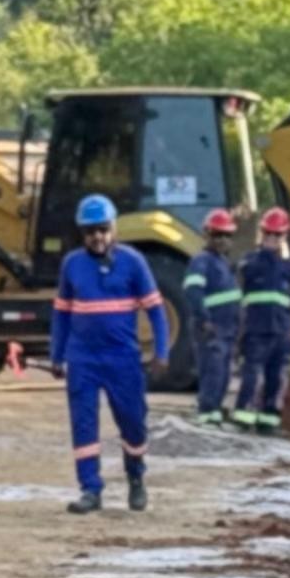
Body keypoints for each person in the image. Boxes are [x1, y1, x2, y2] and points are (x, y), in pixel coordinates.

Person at [47, 191, 170, 513]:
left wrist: (162, 352)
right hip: (83, 359)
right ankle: (90, 489)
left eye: (102, 229)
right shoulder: (72, 265)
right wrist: (57, 355)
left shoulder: (133, 263)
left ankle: (136, 476)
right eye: (90, 232)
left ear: (113, 228)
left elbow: (156, 311)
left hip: (123, 360)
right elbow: (61, 313)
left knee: (133, 422)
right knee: (84, 424)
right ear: (81, 233)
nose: (97, 237)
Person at [232, 206, 290, 431]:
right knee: (253, 373)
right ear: (261, 234)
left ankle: (269, 420)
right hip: (257, 328)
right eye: (269, 233)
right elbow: (235, 283)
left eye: (277, 234)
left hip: (282, 330)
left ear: (285, 236)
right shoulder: (250, 263)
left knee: (277, 377)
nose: (272, 239)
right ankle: (244, 416)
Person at [176, 208, 244, 424]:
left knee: (223, 372)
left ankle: (214, 409)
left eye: (227, 235)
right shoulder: (201, 261)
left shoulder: (223, 262)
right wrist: (204, 318)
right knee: (212, 371)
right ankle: (207, 412)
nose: (222, 240)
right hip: (211, 327)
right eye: (217, 235)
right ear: (207, 235)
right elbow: (192, 290)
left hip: (226, 329)